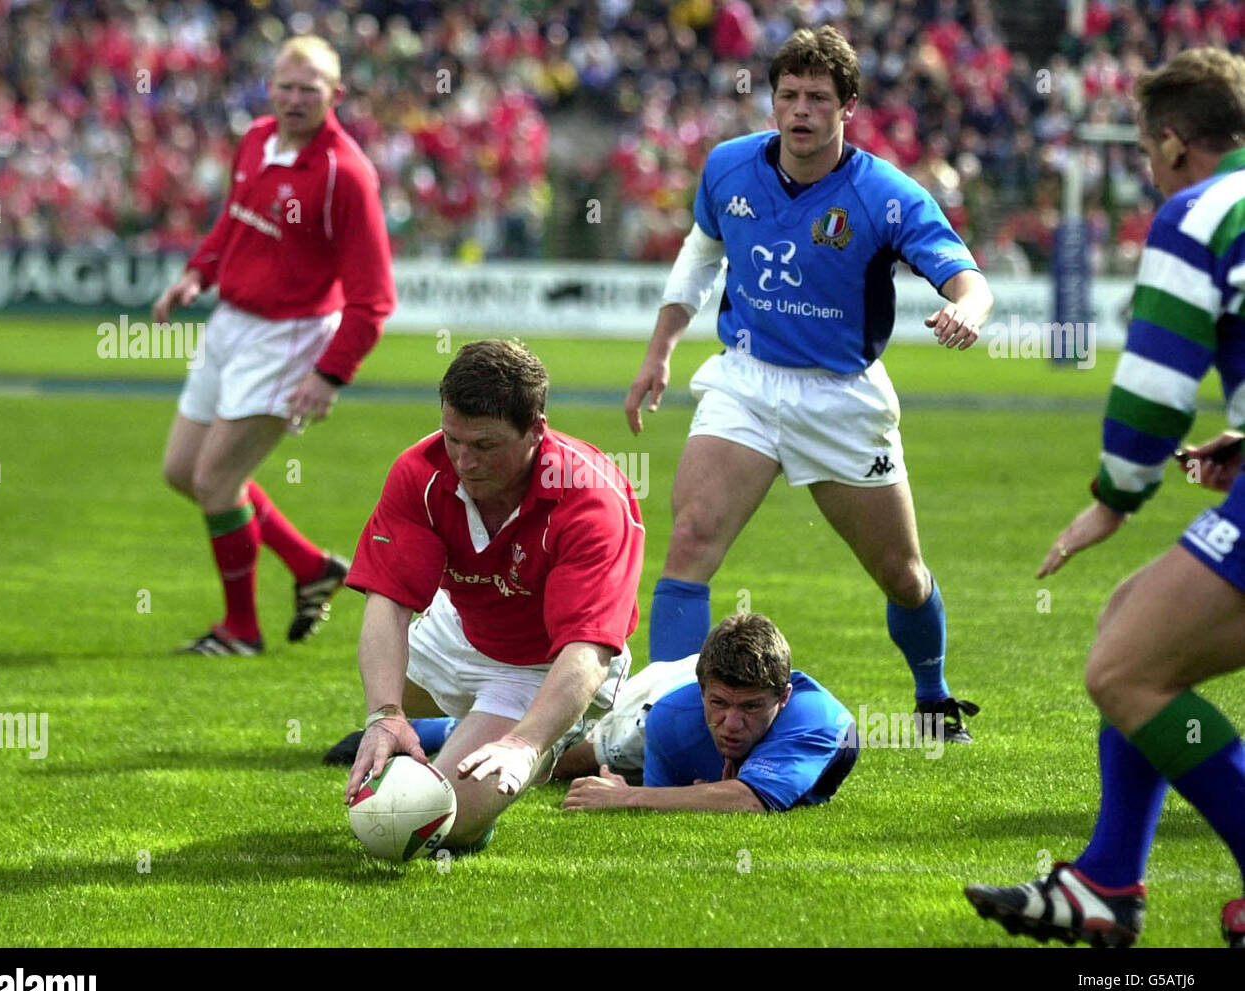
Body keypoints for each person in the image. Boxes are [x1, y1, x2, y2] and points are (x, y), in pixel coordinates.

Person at [623, 27, 993, 742]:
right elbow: (700, 259)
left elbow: (966, 277)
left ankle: (932, 695)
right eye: (788, 95)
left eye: (817, 98)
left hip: (841, 398)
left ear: (847, 105)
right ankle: (664, 722)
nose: (800, 110)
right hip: (747, 382)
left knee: (903, 575)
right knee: (692, 539)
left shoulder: (887, 194)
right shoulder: (729, 168)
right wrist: (658, 352)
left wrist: (968, 311)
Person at [965, 47, 1245, 949]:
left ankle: (1110, 883)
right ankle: (1107, 880)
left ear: (1171, 142)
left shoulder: (1200, 210)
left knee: (1124, 670)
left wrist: (1115, 497)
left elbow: (1157, 387)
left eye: (1142, 149)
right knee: (1134, 628)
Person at [333, 339, 644, 853]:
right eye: (454, 439)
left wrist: (524, 744)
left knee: (429, 827)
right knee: (391, 712)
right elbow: (387, 602)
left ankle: (528, 746)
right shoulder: (420, 470)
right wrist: (384, 714)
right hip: (456, 628)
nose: (464, 461)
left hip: (543, 666)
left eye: (485, 446)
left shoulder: (590, 498)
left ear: (536, 431)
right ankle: (467, 730)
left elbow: (587, 649)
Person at [153, 34, 396, 656]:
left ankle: (241, 631)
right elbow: (233, 218)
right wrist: (196, 274)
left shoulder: (347, 173)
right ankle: (312, 566)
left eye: (308, 90)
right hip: (231, 322)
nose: (293, 99)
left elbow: (374, 298)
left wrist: (329, 374)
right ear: (270, 87)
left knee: (216, 478)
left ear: (334, 96)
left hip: (288, 337)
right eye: (285, 86)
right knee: (185, 471)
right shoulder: (258, 138)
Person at [560, 613, 858, 813]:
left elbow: (749, 800)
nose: (731, 724)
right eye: (719, 704)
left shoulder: (817, 719)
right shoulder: (670, 716)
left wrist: (626, 797)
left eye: (750, 706)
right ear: (703, 692)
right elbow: (662, 800)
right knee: (560, 757)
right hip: (657, 695)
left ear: (783, 697)